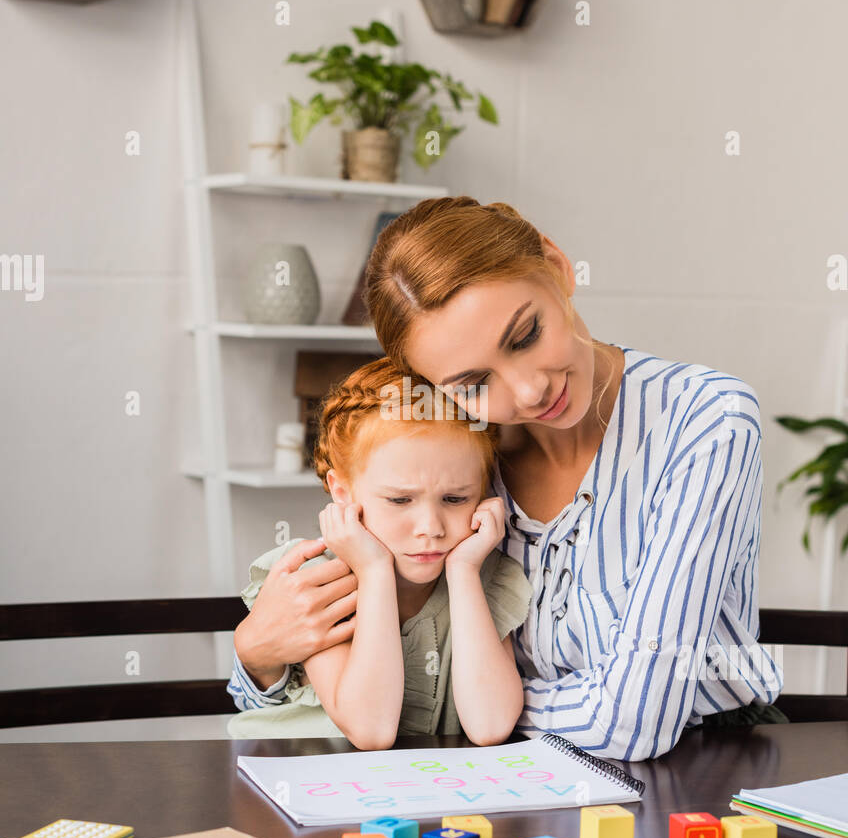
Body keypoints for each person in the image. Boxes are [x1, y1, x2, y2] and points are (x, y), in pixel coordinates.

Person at [357, 195, 787, 760]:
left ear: (557, 267)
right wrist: (260, 659)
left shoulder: (706, 419)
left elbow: (636, 721)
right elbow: (350, 650)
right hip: (506, 766)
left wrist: (468, 708)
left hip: (703, 760)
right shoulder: (454, 458)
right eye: (472, 383)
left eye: (526, 335)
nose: (529, 391)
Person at [227, 356, 533, 748]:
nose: (431, 527)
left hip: (408, 792)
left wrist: (463, 572)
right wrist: (373, 572)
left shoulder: (481, 574)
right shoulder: (317, 576)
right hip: (293, 780)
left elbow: (490, 725)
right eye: (400, 499)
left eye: (456, 498)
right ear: (342, 491)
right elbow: (371, 730)